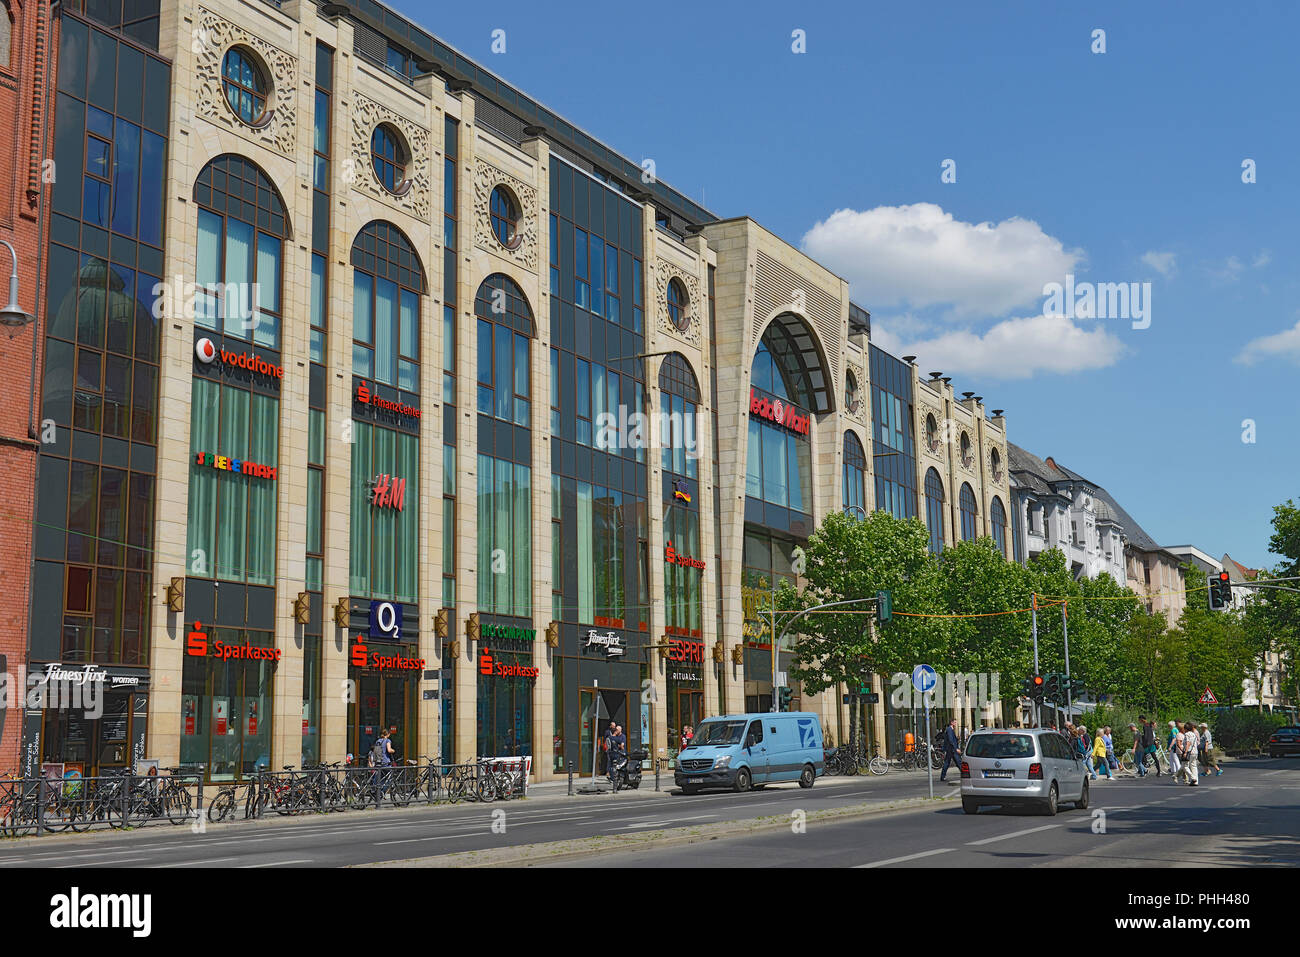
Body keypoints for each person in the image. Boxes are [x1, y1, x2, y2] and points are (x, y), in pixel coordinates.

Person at [939, 718, 962, 783]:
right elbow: (951, 740)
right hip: (951, 750)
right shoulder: (949, 729)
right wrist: (956, 749)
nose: (955, 723)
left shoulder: (950, 729)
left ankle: (942, 776)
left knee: (952, 763)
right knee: (958, 762)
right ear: (951, 723)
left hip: (951, 749)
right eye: (954, 722)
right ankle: (965, 775)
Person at [1176, 721, 1200, 786]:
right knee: (1194, 766)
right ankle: (1196, 781)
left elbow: (1188, 743)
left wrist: (1185, 752)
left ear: (1185, 729)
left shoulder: (1187, 734)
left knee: (1185, 766)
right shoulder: (1193, 734)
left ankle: (1193, 778)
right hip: (1195, 752)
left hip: (1189, 752)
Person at [608, 723, 627, 788]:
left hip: (621, 754)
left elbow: (622, 746)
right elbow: (610, 741)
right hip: (615, 754)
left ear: (620, 730)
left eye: (617, 729)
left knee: (619, 766)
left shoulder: (623, 736)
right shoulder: (615, 736)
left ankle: (617, 779)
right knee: (611, 767)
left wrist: (616, 745)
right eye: (615, 729)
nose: (615, 730)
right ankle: (613, 778)